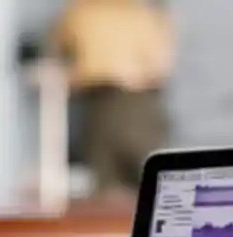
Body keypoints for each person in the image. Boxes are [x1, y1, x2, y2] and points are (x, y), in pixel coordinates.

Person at [51, 0, 175, 198]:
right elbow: (160, 67)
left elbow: (60, 60)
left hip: (108, 102)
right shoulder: (142, 15)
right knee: (147, 185)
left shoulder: (80, 13)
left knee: (112, 186)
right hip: (124, 101)